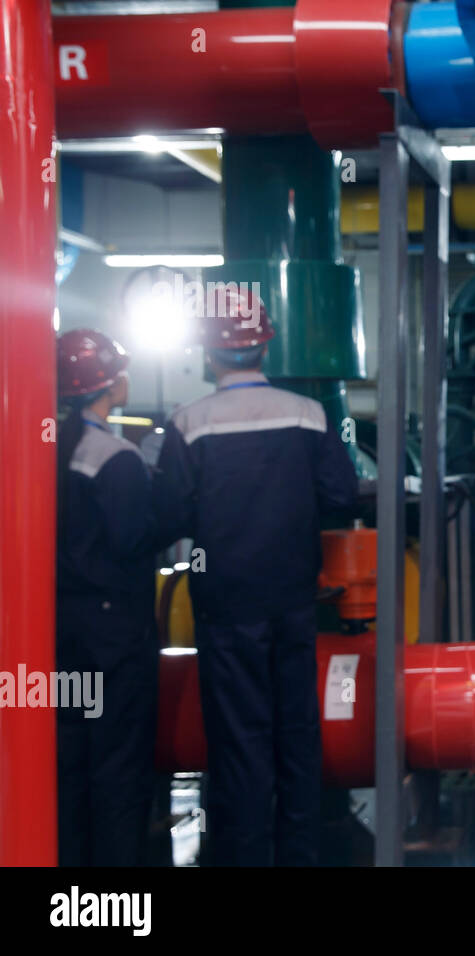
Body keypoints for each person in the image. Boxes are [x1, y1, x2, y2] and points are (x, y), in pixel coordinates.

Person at [154, 288, 358, 865]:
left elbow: (167, 516)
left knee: (238, 738)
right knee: (296, 730)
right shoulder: (308, 414)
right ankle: (300, 855)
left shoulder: (188, 424)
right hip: (293, 600)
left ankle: (245, 856)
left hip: (225, 607)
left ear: (207, 352)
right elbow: (341, 495)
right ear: (266, 345)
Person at [54, 328, 160, 866]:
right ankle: (111, 897)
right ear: (109, 384)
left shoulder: (44, 450)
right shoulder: (115, 458)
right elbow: (132, 541)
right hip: (115, 633)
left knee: (67, 759)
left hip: (62, 630)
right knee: (117, 762)